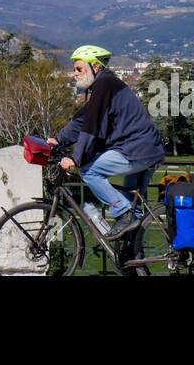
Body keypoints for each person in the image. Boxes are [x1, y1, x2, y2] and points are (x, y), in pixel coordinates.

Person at [53, 45, 166, 239]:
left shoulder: (104, 85)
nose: (74, 74)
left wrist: (76, 159)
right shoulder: (106, 85)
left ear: (95, 67)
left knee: (89, 171)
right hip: (147, 150)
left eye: (79, 68)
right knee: (134, 209)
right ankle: (132, 260)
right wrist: (58, 140)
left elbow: (90, 126)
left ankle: (121, 211)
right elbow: (81, 119)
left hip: (135, 149)